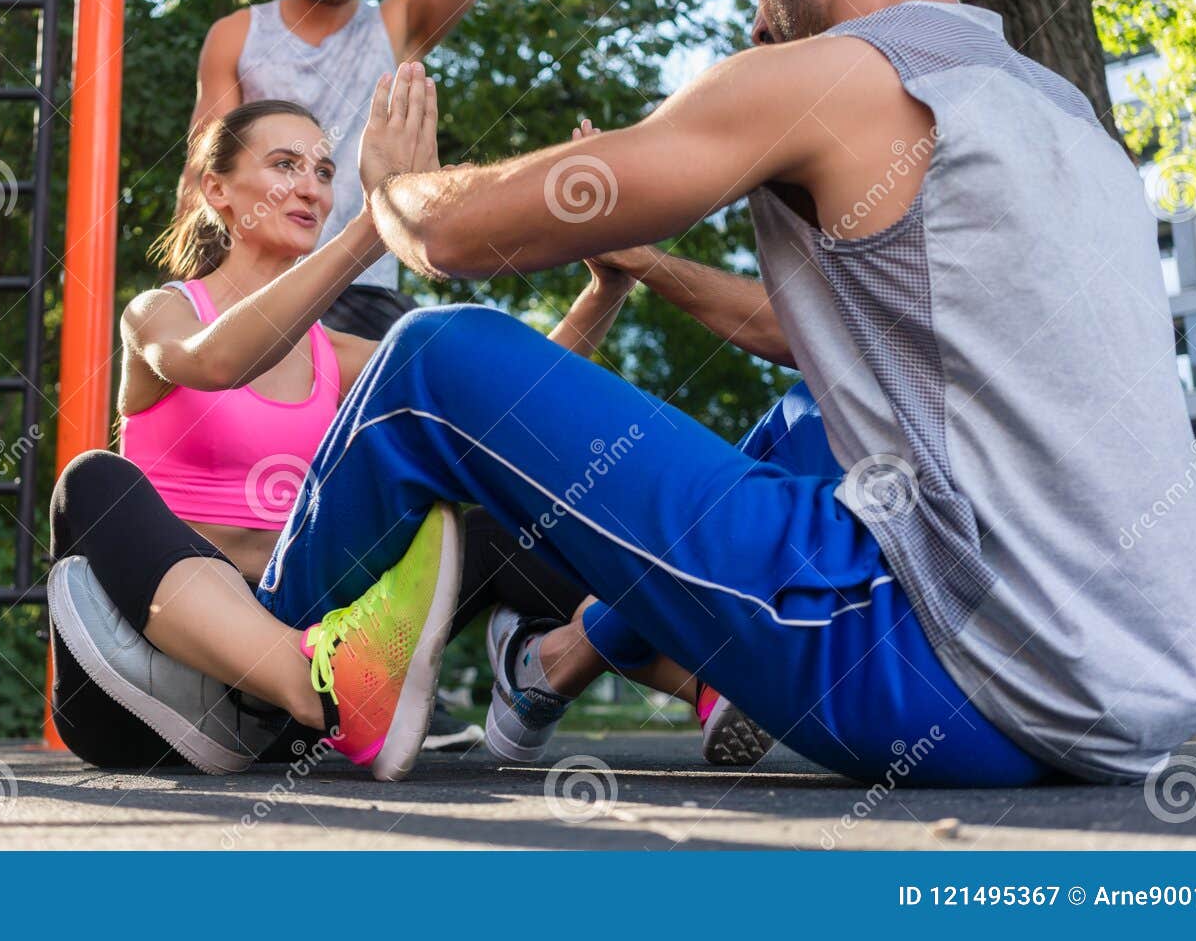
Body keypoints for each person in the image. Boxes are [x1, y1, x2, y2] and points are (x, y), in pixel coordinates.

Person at [244, 0, 1196, 786]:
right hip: (1129, 694)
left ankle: (237, 670)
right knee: (814, 417)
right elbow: (820, 339)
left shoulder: (827, 76)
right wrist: (648, 264)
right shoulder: (1057, 114)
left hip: (958, 684)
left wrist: (393, 187)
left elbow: (450, 237)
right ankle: (546, 662)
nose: (759, 12)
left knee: (434, 359)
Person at [46, 100, 714, 779]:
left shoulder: (331, 355)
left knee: (496, 521)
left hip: (286, 702)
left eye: (325, 170)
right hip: (145, 693)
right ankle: (316, 685)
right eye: (285, 165)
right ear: (217, 189)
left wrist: (605, 288)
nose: (311, 186)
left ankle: (716, 681)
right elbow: (219, 362)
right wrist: (380, 218)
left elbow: (507, 404)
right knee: (92, 481)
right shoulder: (161, 312)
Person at [186, 0, 498, 340]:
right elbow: (202, 173)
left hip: (364, 286)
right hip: (258, 283)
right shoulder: (236, 35)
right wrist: (197, 291)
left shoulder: (399, 26)